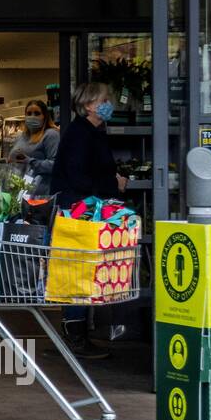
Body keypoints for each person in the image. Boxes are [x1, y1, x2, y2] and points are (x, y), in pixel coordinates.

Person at [50, 82, 127, 359]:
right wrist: (112, 183)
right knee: (79, 272)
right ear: (90, 105)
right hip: (79, 212)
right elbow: (78, 175)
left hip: (83, 209)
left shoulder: (90, 132)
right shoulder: (81, 134)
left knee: (81, 271)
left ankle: (76, 330)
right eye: (105, 100)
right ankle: (76, 335)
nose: (110, 104)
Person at [7, 99, 59, 190]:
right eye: (29, 113)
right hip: (19, 188)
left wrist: (31, 162)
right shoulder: (21, 136)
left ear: (45, 116)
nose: (32, 116)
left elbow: (55, 165)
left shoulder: (51, 135)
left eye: (37, 113)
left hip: (41, 191)